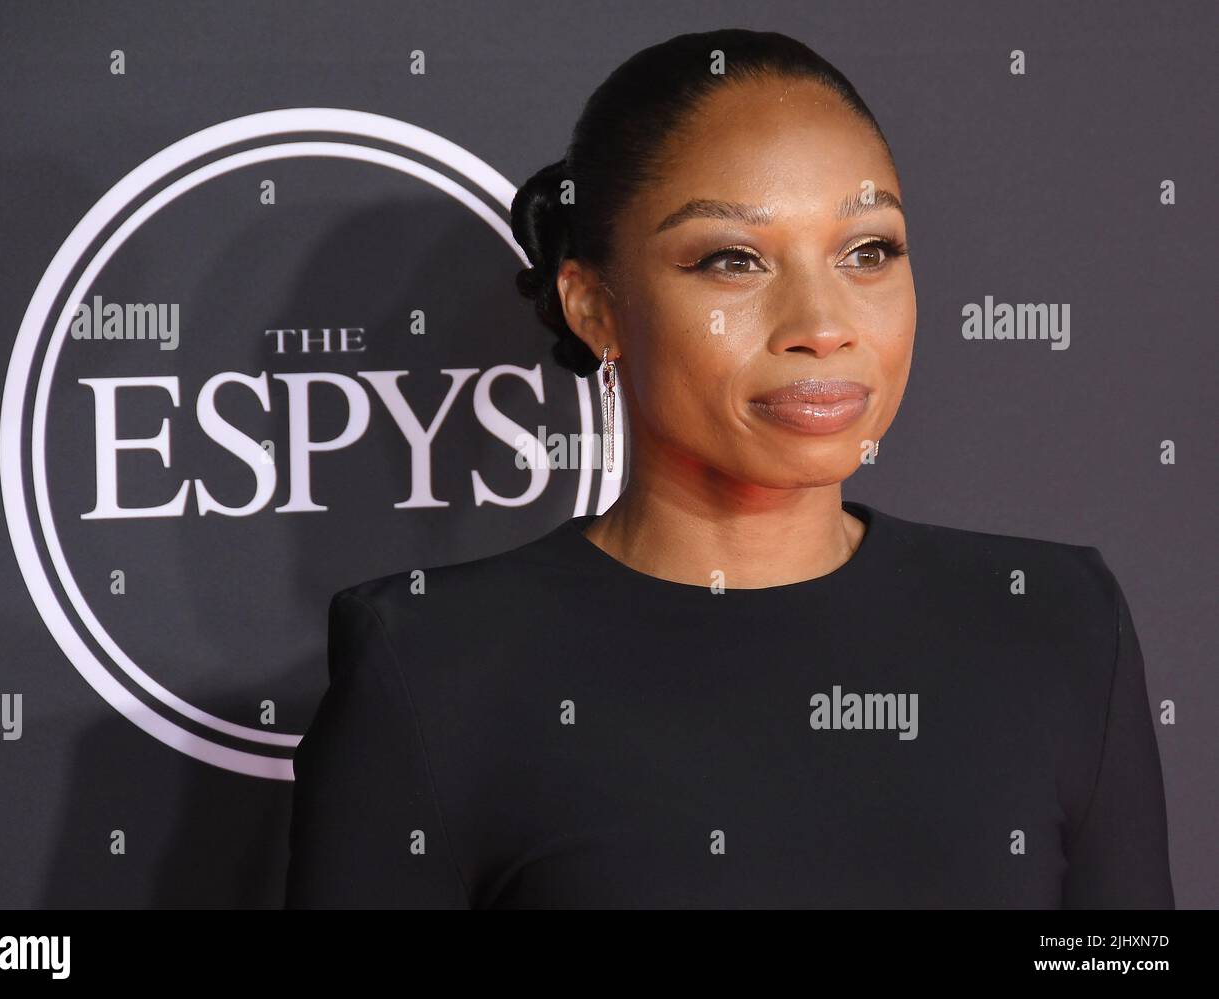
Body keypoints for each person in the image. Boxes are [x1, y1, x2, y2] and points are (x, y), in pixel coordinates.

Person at [284, 28, 1173, 909]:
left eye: (869, 251)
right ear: (594, 306)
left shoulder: (1054, 621)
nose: (822, 324)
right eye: (732, 260)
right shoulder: (431, 666)